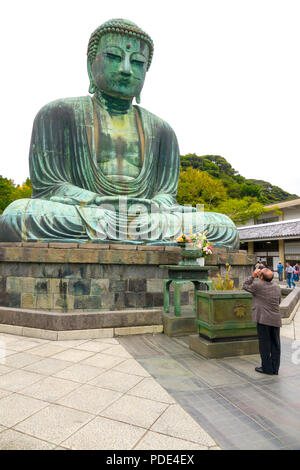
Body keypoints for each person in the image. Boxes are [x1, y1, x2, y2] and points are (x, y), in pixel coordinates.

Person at [0, 19, 239, 247]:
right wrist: (97, 201)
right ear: (90, 65)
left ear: (146, 71)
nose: (126, 69)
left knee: (222, 226)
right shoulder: (58, 113)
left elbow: (166, 195)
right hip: (88, 212)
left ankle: (125, 231)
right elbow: (50, 187)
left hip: (145, 217)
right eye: (114, 57)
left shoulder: (162, 131)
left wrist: (153, 205)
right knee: (19, 216)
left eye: (137, 62)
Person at [243, 268, 281, 375]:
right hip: (275, 319)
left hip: (263, 320)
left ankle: (267, 369)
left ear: (261, 277)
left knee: (264, 345)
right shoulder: (277, 286)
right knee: (275, 344)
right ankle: (275, 368)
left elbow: (245, 285)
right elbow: (279, 301)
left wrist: (253, 275)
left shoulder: (258, 285)